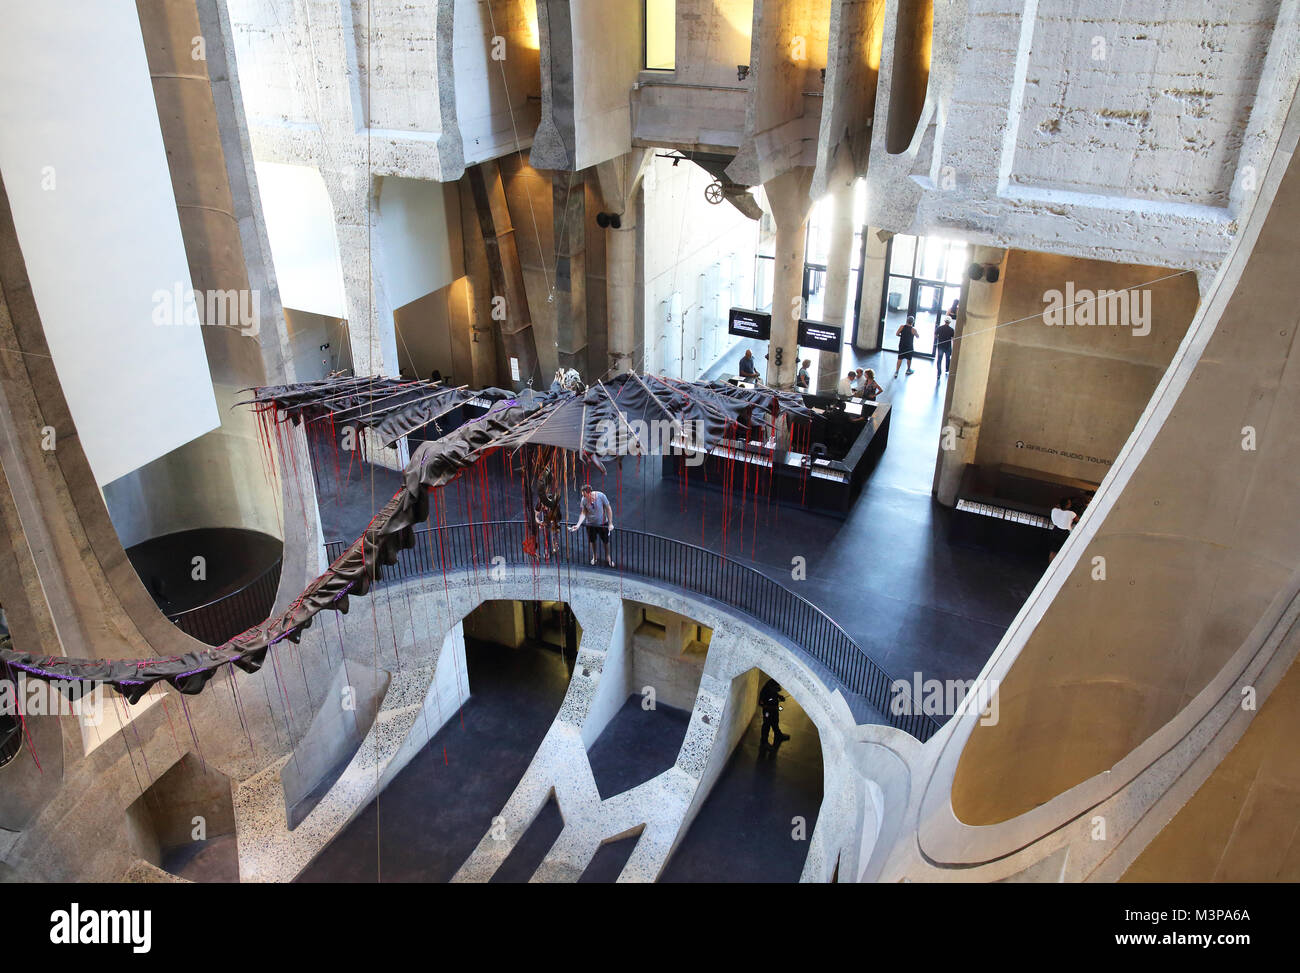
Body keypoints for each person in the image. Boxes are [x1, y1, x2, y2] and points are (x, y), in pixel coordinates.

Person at [569, 483, 615, 566]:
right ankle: (595, 557)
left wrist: (611, 523)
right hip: (590, 524)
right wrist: (578, 524)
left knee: (606, 541)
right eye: (582, 495)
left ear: (589, 493)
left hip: (603, 523)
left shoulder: (601, 496)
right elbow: (583, 512)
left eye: (585, 495)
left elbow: (608, 508)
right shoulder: (584, 500)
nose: (583, 497)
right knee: (592, 541)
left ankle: (608, 557)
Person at [758, 678, 790, 746]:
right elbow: (761, 704)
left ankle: (778, 735)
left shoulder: (774, 682)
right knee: (766, 724)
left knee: (775, 722)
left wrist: (779, 696)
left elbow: (774, 693)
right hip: (767, 712)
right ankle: (764, 741)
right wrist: (772, 708)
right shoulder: (764, 692)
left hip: (774, 710)